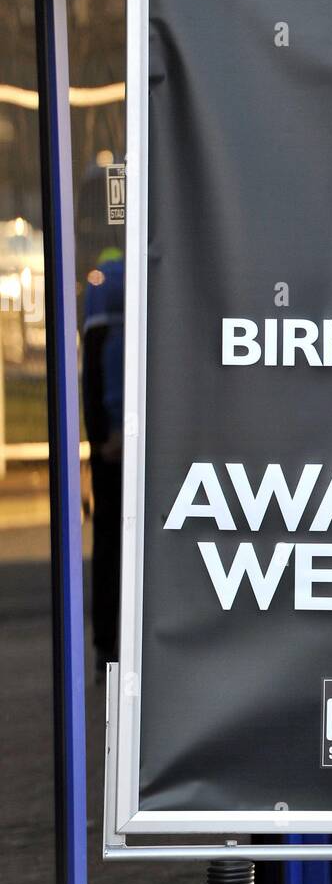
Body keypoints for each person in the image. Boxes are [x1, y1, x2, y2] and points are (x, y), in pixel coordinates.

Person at [82, 248, 124, 672]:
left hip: (105, 451)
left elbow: (91, 389)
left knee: (107, 543)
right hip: (128, 449)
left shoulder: (96, 327)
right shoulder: (133, 320)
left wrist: (99, 441)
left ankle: (104, 645)